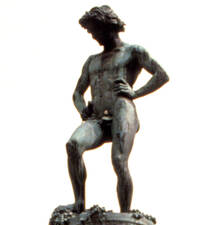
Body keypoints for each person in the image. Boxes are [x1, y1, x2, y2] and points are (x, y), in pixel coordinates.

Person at [65, 6, 169, 213]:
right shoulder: (92, 61)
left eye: (95, 30)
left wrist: (134, 93)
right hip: (97, 118)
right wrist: (82, 108)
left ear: (108, 26)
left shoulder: (133, 52)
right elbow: (77, 93)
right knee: (73, 145)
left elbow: (161, 75)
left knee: (119, 160)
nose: (93, 36)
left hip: (122, 111)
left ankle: (125, 213)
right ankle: (79, 202)